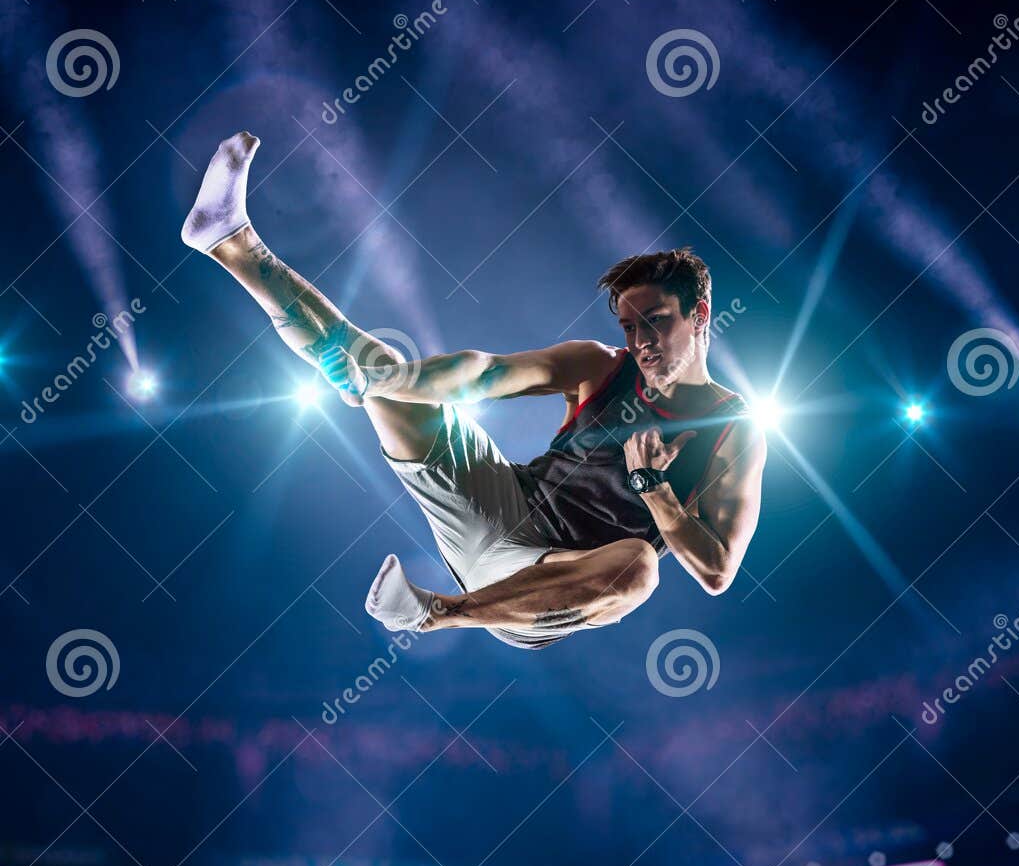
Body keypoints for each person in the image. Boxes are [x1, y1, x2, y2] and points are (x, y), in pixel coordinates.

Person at [182, 134, 766, 650]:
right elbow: (487, 373)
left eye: (657, 321)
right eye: (630, 326)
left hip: (548, 581)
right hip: (503, 502)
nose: (641, 341)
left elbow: (717, 572)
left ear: (701, 314)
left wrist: (654, 490)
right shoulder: (600, 365)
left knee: (639, 568)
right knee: (381, 371)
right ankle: (230, 241)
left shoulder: (733, 429)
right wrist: (387, 384)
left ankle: (436, 613)